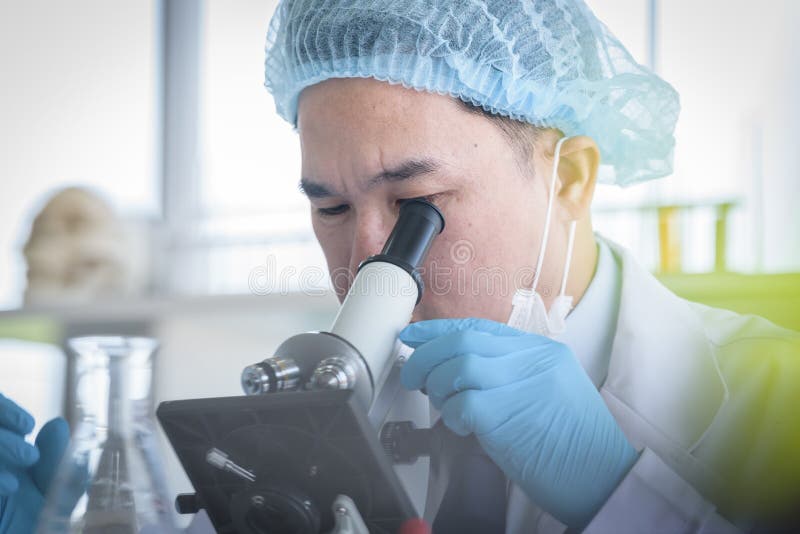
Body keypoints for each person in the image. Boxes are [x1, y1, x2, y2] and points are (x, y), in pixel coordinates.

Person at [1, 0, 797, 532]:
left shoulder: (776, 400)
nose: (367, 260)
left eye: (419, 201)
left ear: (574, 179)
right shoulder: (317, 407)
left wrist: (622, 498)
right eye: (332, 208)